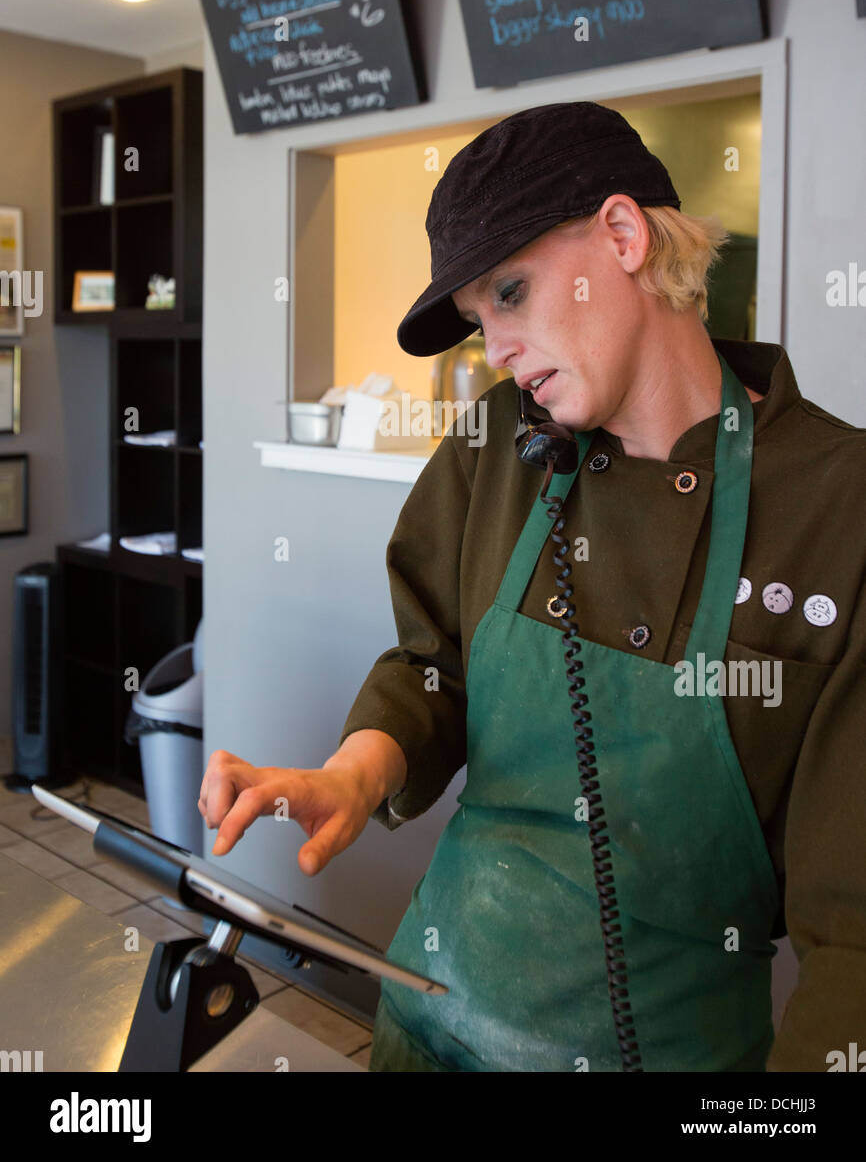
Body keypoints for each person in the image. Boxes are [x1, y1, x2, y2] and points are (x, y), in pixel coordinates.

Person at [199, 102, 866, 1073]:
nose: (494, 348)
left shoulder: (835, 501)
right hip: (429, 1020)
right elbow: (434, 664)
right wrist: (354, 771)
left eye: (509, 293)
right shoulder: (495, 450)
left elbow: (852, 939)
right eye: (478, 319)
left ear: (623, 235)